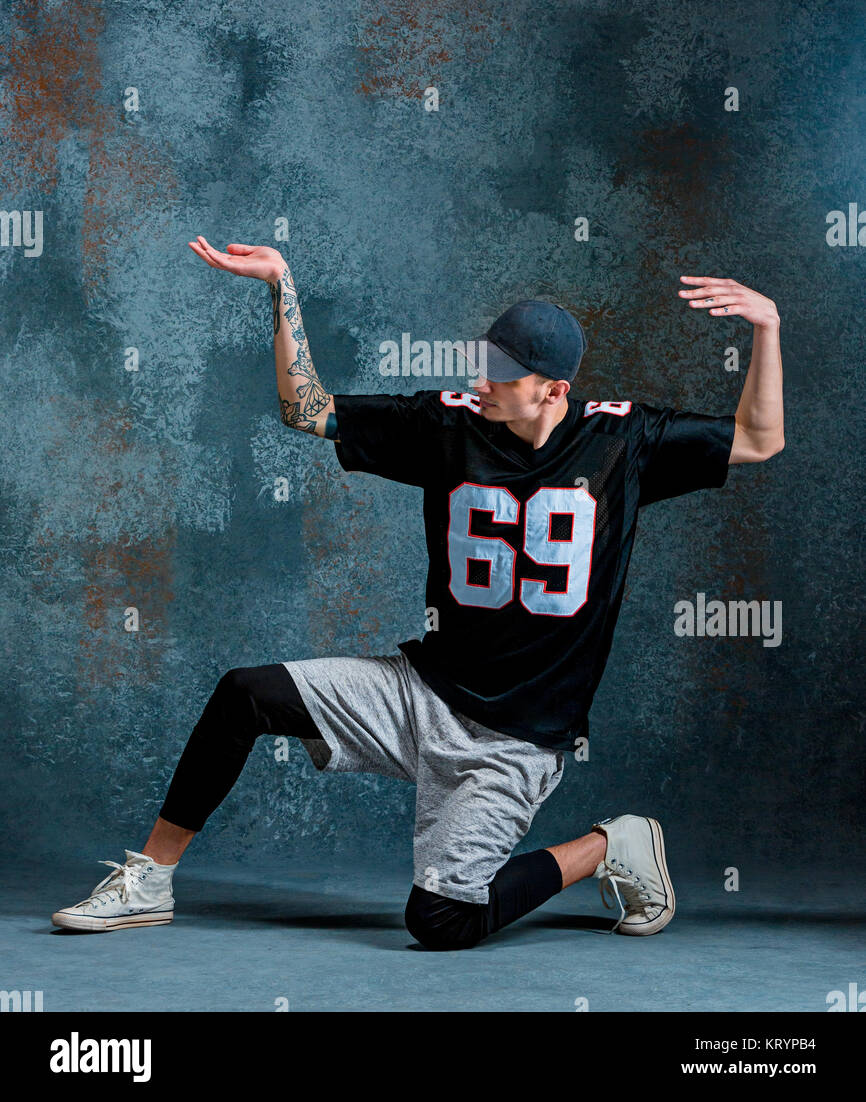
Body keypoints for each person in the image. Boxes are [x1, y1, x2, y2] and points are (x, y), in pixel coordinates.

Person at [52, 238, 784, 950]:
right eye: (485, 362)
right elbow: (306, 409)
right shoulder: (448, 424)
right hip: (420, 694)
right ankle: (151, 878)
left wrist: (767, 327)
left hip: (516, 742)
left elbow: (759, 438)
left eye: (506, 372)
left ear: (555, 389)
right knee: (244, 693)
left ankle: (608, 845)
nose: (485, 380)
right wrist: (283, 289)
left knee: (441, 922)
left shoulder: (626, 441)